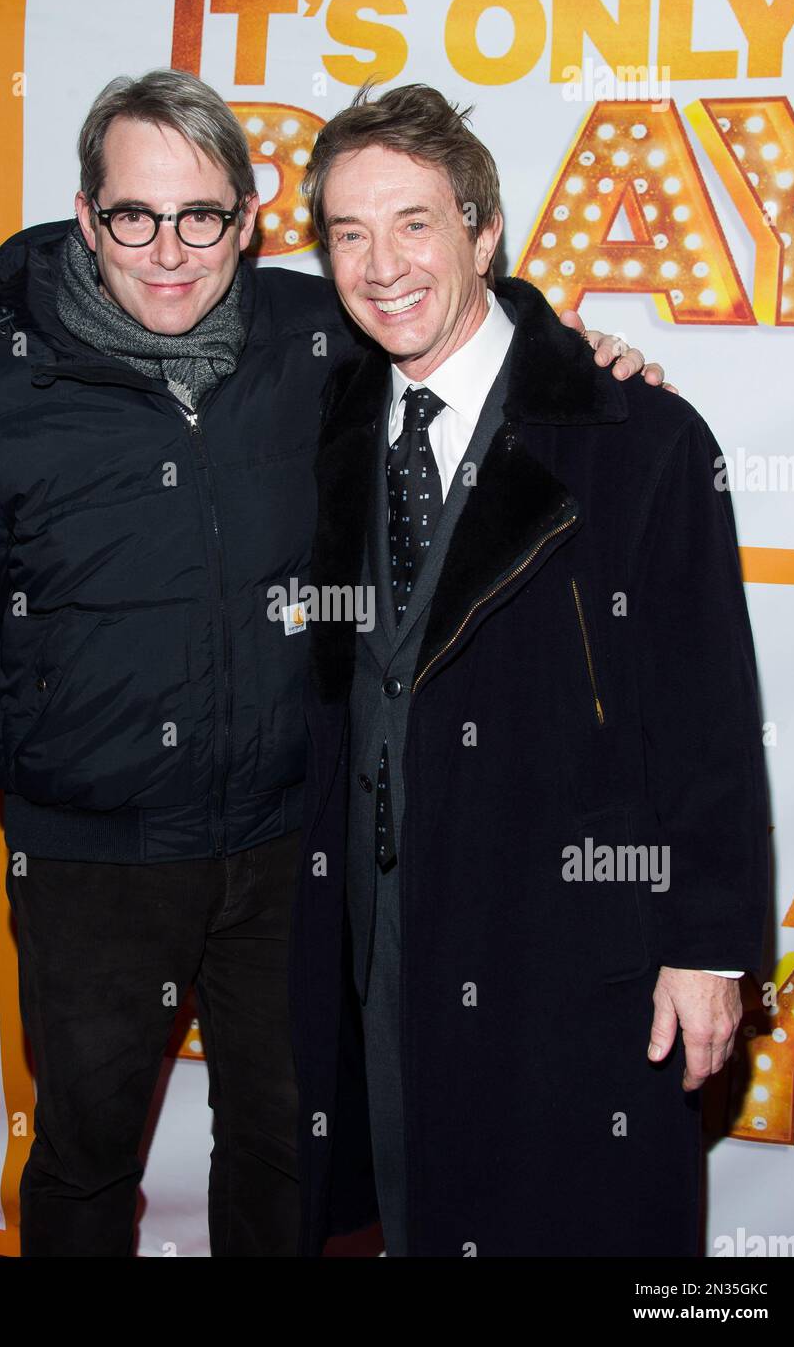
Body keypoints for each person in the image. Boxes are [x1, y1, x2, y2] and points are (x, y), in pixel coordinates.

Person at [0, 69, 667, 1258]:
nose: (169, 252)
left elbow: (451, 317)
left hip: (296, 847)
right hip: (94, 866)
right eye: (134, 216)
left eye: (201, 217)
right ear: (86, 217)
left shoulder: (316, 340)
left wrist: (574, 350)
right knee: (84, 1160)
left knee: (292, 1151)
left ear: (245, 220)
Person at [290, 83, 769, 1257]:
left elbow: (709, 717)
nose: (380, 262)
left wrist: (709, 946)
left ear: (482, 231)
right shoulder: (332, 414)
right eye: (346, 233)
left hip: (571, 944)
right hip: (381, 936)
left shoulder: (637, 435)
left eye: (412, 222)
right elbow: (160, 271)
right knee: (409, 1215)